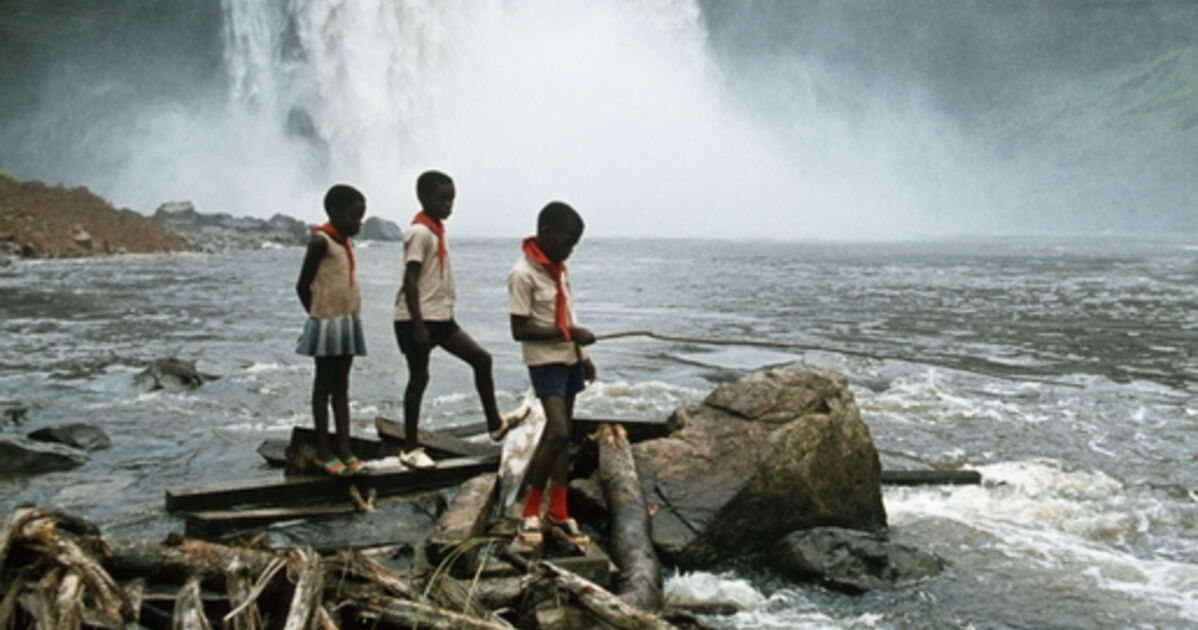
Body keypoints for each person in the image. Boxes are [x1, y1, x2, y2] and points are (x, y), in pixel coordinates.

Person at [394, 170, 520, 470]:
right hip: (417, 320)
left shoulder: (436, 230)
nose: (448, 205)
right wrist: (419, 326)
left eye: (452, 200)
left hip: (440, 318)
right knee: (419, 378)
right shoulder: (419, 233)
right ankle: (410, 448)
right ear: (423, 198)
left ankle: (494, 424)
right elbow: (410, 280)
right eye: (442, 199)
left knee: (481, 359)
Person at [507, 201, 596, 550]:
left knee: (565, 433)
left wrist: (583, 355)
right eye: (567, 242)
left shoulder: (559, 269)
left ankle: (558, 509)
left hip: (569, 358)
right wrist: (570, 334)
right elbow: (519, 329)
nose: (570, 250)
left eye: (575, 245)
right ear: (545, 234)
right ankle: (530, 509)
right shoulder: (522, 274)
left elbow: (568, 312)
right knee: (556, 431)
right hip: (545, 361)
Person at [295, 184, 368, 477]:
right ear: (335, 212)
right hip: (327, 323)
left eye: (361, 218)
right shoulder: (320, 242)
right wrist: (318, 316)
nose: (359, 224)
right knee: (323, 386)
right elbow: (302, 285)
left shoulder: (346, 242)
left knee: (342, 387)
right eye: (354, 217)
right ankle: (324, 452)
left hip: (348, 322)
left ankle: (345, 449)